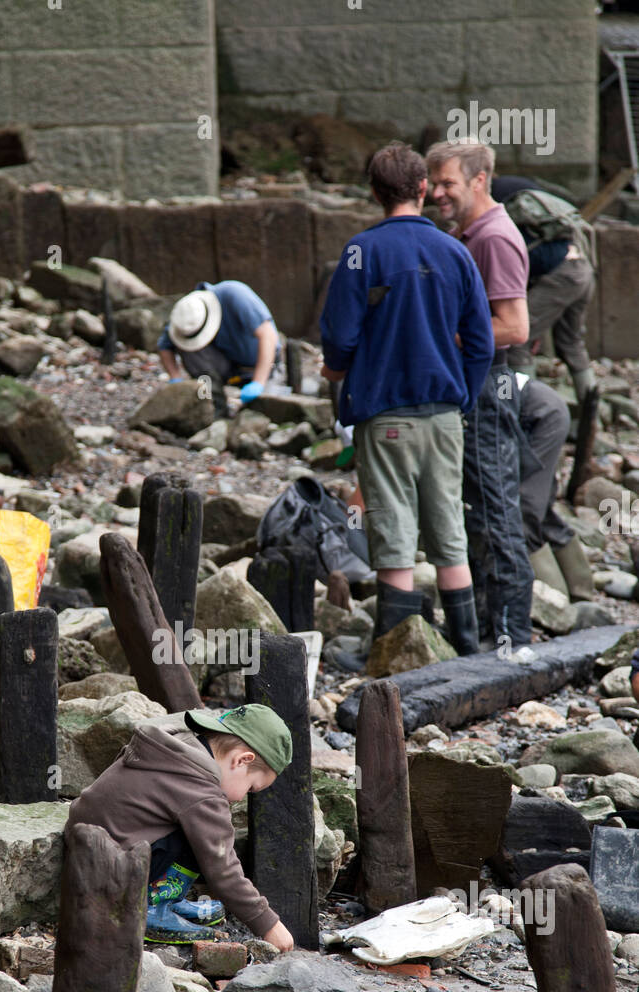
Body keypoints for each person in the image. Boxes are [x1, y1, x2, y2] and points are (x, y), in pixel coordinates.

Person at [319, 141, 493, 653]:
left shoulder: (362, 251)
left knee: (393, 539)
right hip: (443, 414)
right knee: (448, 534)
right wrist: (462, 398)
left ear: (374, 193)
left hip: (386, 415)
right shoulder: (456, 251)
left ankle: (393, 658)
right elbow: (481, 343)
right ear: (422, 188)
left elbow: (340, 335)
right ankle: (466, 650)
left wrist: (337, 367)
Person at [65, 703, 296, 951]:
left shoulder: (177, 747)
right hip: (113, 877)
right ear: (241, 760)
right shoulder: (200, 789)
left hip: (85, 851)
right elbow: (223, 868)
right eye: (251, 788)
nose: (242, 798)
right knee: (208, 834)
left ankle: (169, 898)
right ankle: (149, 907)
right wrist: (268, 924)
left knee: (197, 827)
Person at [426, 139, 536, 653]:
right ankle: (492, 627)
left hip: (493, 386)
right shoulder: (469, 233)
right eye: (434, 184)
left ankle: (513, 631)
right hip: (478, 385)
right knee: (480, 507)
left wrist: (442, 335)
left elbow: (514, 326)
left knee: (495, 507)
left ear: (479, 180)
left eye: (447, 183)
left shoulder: (493, 237)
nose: (437, 194)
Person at [492, 174, 596, 401]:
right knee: (572, 342)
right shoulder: (521, 185)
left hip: (559, 273)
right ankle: (592, 415)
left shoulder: (494, 202)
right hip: (581, 264)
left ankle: (521, 411)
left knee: (516, 341)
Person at [516, 375, 597, 600]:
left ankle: (556, 602)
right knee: (541, 510)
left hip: (539, 416)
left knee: (525, 511)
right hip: (546, 408)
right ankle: (581, 590)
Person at [157, 280, 280, 415]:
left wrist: (258, 382)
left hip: (261, 364)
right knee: (185, 347)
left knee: (267, 411)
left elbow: (268, 336)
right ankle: (214, 405)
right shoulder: (184, 316)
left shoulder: (234, 295)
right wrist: (175, 378)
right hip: (227, 367)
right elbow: (164, 346)